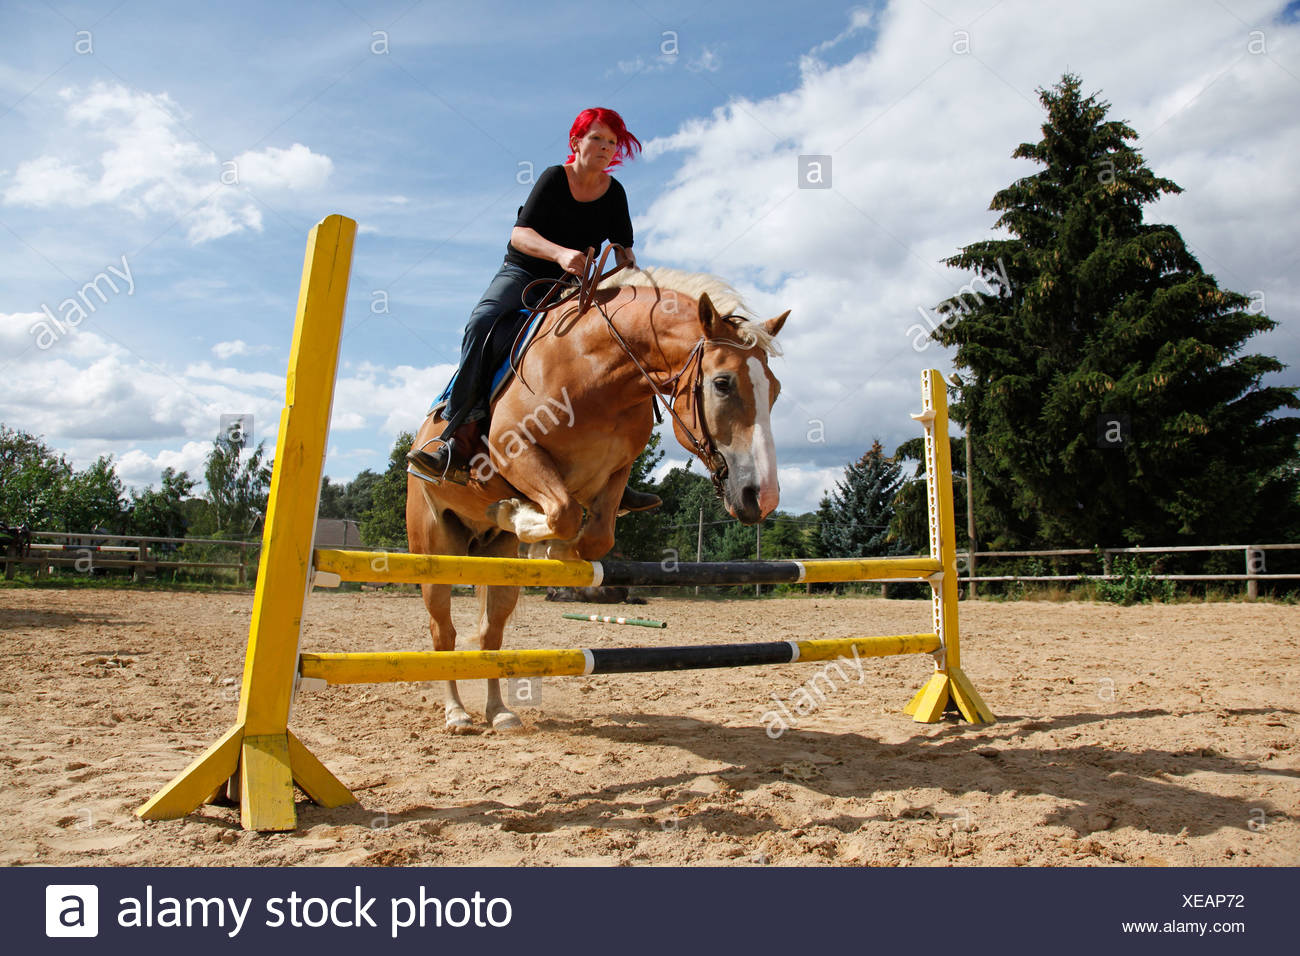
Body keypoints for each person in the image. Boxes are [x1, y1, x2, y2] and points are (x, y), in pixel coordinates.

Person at [408, 107, 660, 512]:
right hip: (524, 274)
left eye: (612, 142)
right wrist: (561, 254)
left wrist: (632, 278)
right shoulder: (554, 179)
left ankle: (614, 466)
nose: (605, 148)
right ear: (577, 142)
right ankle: (455, 438)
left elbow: (625, 249)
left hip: (574, 286)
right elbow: (520, 234)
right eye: (597, 139)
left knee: (620, 340)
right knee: (483, 323)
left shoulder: (615, 194)